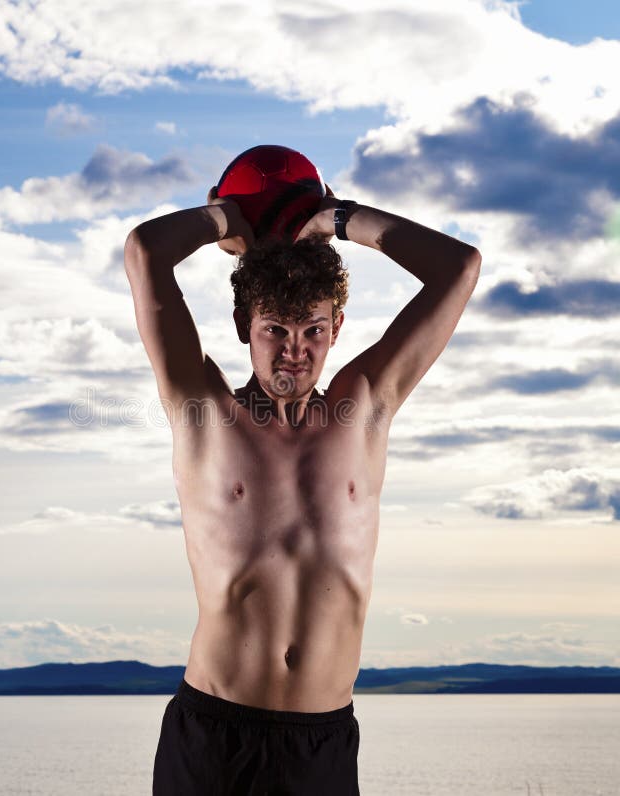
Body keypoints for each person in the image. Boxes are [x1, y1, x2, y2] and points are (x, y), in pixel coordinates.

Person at [124, 179, 481, 795]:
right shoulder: (202, 411)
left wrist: (337, 221)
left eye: (312, 330)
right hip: (214, 736)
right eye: (275, 331)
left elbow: (459, 267)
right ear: (243, 325)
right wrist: (226, 218)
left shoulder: (365, 408)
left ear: (337, 327)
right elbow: (145, 251)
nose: (295, 352)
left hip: (321, 742)